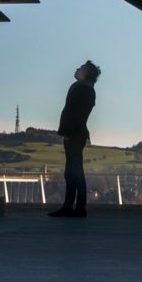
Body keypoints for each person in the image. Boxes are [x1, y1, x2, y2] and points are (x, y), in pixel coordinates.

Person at [48, 60, 101, 218]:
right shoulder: (85, 89)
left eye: (81, 68)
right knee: (71, 171)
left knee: (75, 171)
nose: (77, 69)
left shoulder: (82, 88)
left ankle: (78, 208)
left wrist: (68, 131)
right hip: (75, 133)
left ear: (86, 74)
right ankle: (71, 206)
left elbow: (75, 114)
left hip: (75, 134)